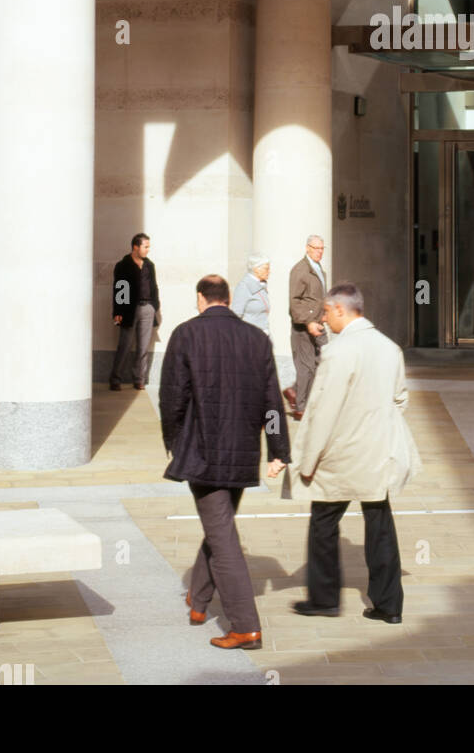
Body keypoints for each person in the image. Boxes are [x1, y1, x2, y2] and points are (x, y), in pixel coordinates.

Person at [160, 274, 290, 649]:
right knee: (218, 525)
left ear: (201, 299)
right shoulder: (257, 339)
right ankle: (198, 602)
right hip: (242, 454)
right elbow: (272, 403)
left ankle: (246, 626)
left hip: (202, 453)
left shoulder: (186, 334)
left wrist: (173, 442)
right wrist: (278, 450)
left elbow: (172, 398)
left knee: (222, 535)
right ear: (229, 299)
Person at [290, 283, 420, 624]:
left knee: (323, 522)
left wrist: (308, 460)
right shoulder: (390, 348)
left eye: (326, 312)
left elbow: (323, 410)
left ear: (339, 310)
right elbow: (400, 400)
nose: (324, 319)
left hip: (342, 454)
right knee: (379, 523)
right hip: (378, 451)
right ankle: (389, 605)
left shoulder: (339, 351)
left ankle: (323, 598)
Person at [110, 232, 161, 390]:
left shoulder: (149, 265)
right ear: (135, 247)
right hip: (128, 310)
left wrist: (155, 306)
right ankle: (115, 379)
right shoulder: (123, 265)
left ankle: (139, 379)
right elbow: (120, 291)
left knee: (143, 347)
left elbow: (154, 286)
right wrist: (118, 313)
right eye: (145, 247)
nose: (148, 250)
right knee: (124, 345)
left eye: (148, 247)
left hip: (148, 309)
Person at [288, 234, 328, 418]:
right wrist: (308, 321)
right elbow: (294, 302)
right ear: (307, 248)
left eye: (321, 248)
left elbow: (317, 298)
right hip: (304, 326)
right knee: (307, 367)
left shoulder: (318, 269)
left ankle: (294, 390)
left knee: (323, 362)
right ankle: (300, 408)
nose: (319, 252)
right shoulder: (300, 270)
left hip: (318, 324)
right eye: (316, 248)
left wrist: (325, 314)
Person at [231, 253, 272, 334]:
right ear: (256, 269)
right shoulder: (244, 287)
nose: (269, 272)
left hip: (263, 334)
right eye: (266, 269)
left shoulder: (261, 285)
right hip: (250, 336)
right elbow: (236, 315)